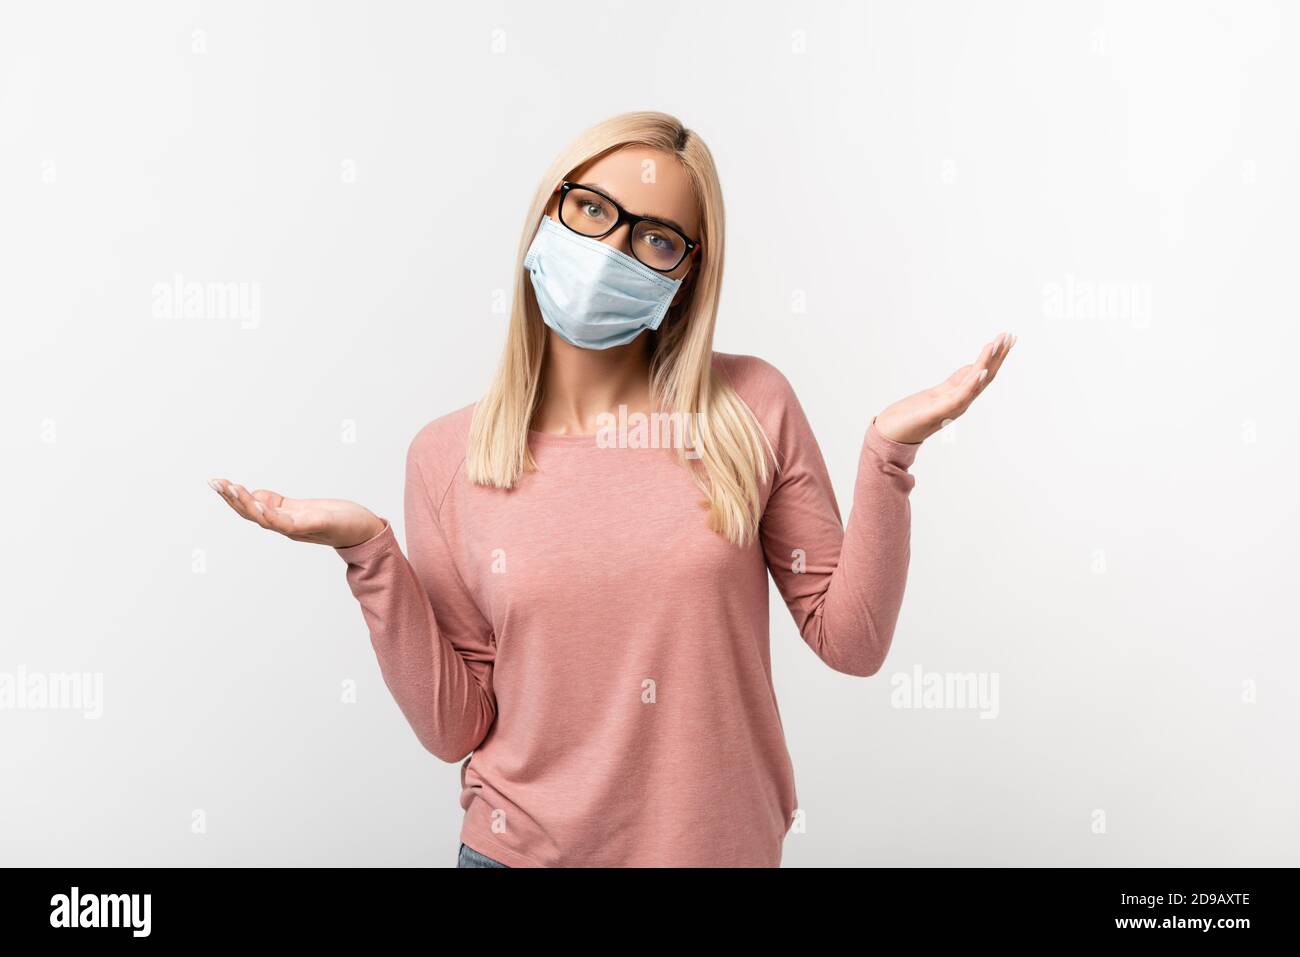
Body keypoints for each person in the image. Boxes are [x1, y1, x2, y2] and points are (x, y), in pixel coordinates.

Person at [210, 111, 1014, 867]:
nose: (614, 250)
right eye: (593, 210)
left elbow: (853, 642)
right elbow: (458, 725)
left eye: (657, 237)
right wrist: (368, 553)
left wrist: (889, 452)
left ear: (687, 272)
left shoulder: (750, 409)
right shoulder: (446, 456)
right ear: (549, 211)